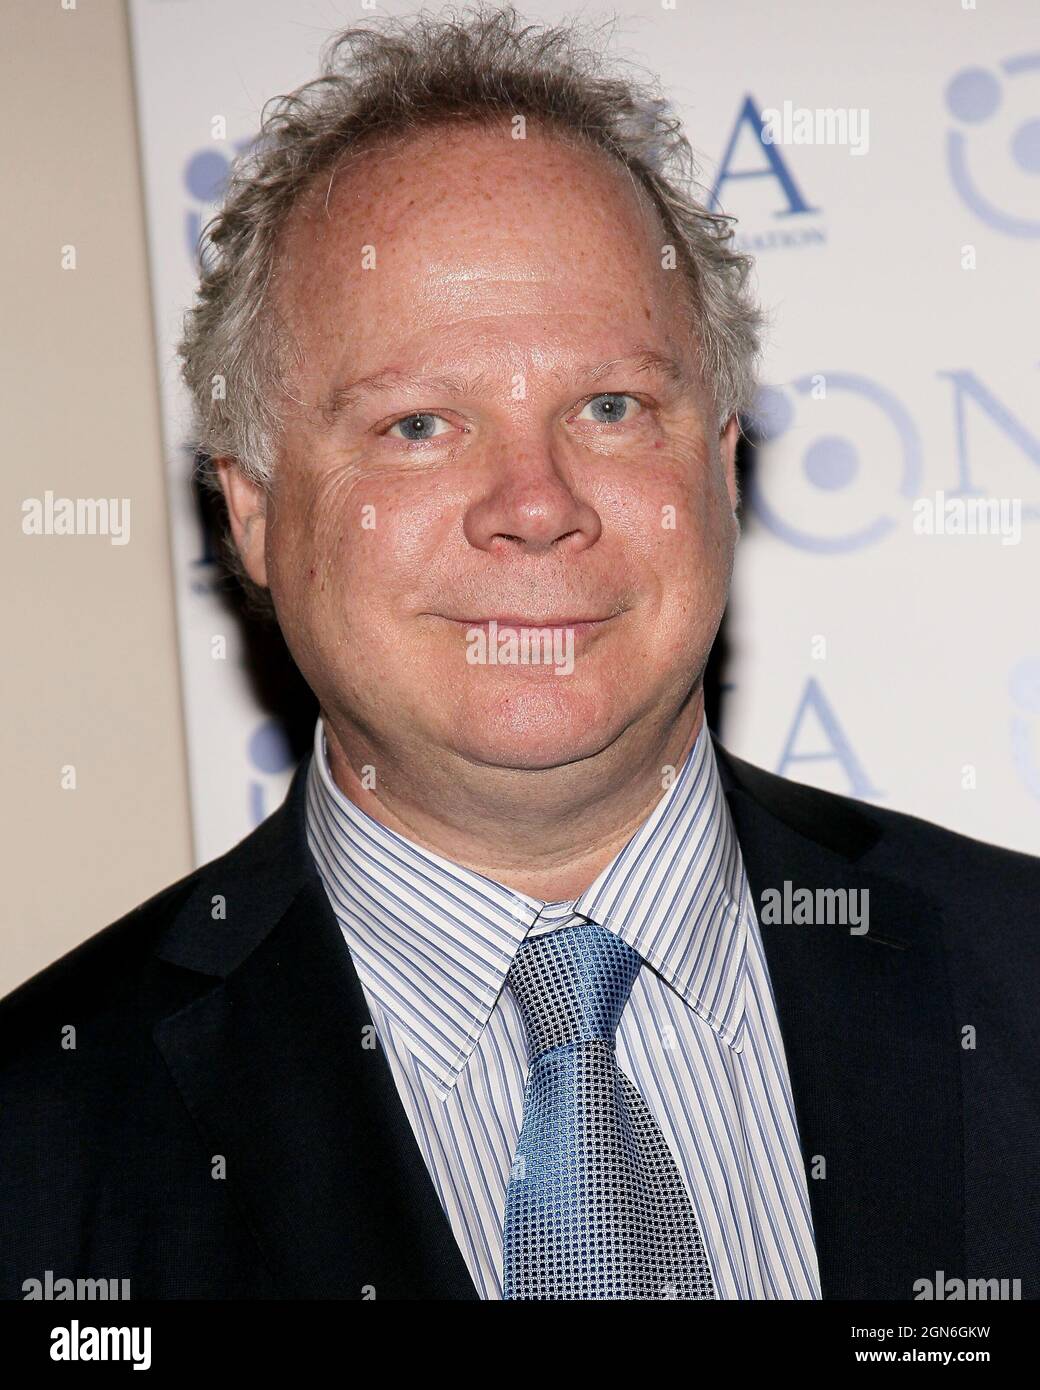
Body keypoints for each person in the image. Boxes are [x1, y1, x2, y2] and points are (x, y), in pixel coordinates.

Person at [3, 4, 1037, 1302]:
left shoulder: (1020, 980)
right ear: (254, 511)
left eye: (611, 407)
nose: (537, 502)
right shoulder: (38, 1148)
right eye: (420, 424)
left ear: (720, 464)